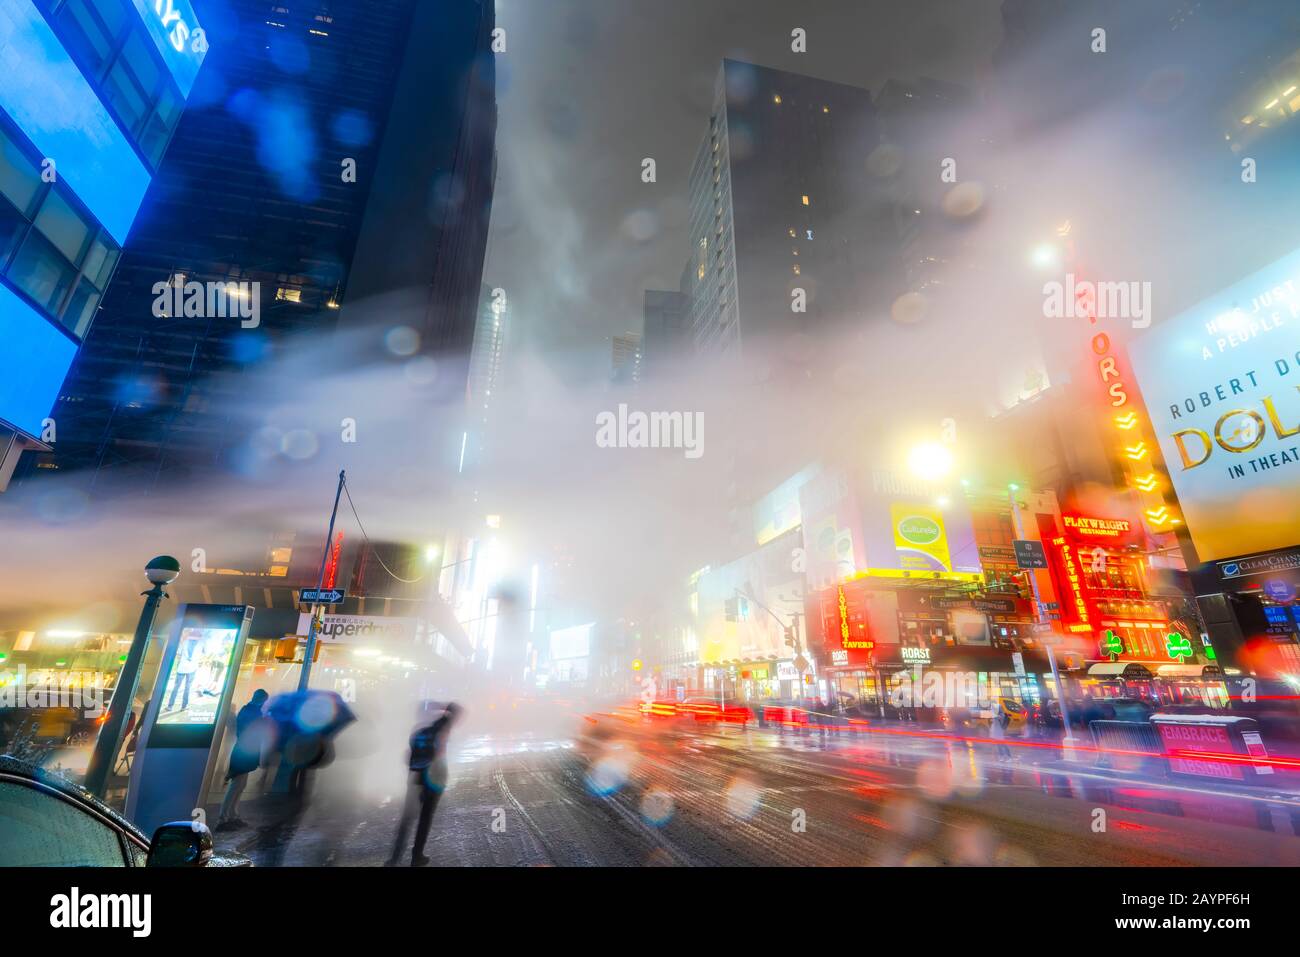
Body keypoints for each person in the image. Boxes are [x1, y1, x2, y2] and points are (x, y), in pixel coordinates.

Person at [388, 702, 462, 867]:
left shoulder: (417, 731)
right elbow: (455, 709)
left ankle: (394, 858)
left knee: (407, 819)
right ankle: (417, 856)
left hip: (415, 777)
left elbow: (409, 756)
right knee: (425, 817)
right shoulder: (441, 727)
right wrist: (443, 706)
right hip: (434, 778)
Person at [216, 690, 270, 832]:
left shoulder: (250, 710)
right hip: (243, 752)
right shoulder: (251, 712)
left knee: (240, 785)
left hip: (244, 751)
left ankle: (233, 815)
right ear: (261, 700)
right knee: (236, 785)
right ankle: (223, 818)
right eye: (264, 701)